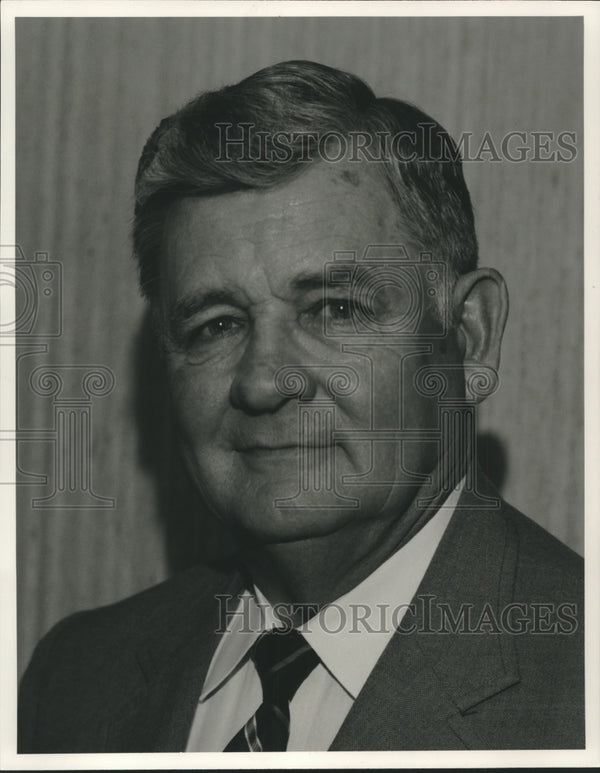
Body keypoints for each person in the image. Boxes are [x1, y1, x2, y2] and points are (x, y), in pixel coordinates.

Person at [18, 60, 584, 753]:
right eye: (216, 324)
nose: (263, 381)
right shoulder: (76, 680)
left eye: (334, 309)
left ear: (468, 340)